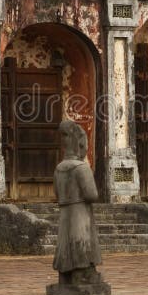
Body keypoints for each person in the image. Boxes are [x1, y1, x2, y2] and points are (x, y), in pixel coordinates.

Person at [52, 120, 102, 283]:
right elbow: (91, 194)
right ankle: (82, 272)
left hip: (65, 212)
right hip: (80, 211)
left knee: (65, 243)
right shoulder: (81, 168)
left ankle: (65, 274)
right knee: (80, 240)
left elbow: (57, 193)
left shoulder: (59, 168)